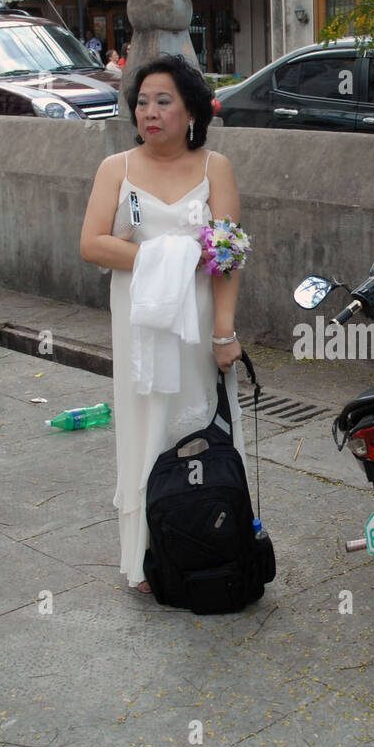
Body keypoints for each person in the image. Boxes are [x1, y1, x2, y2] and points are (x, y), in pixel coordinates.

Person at [79, 54, 243, 595]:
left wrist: (225, 332)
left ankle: (213, 533)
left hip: (197, 325)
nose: (150, 112)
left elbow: (227, 255)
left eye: (163, 101)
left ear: (191, 110)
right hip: (141, 325)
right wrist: (169, 254)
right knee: (146, 423)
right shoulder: (116, 170)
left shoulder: (214, 168)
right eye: (142, 102)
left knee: (199, 423)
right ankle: (150, 550)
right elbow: (91, 244)